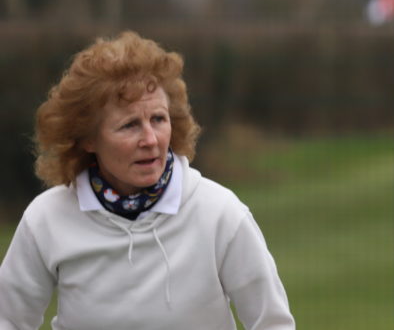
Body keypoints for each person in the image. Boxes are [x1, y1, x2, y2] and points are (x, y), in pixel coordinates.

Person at [0, 31, 295, 330]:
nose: (150, 139)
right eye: (129, 125)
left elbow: (273, 323)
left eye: (158, 119)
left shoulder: (221, 214)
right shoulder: (46, 219)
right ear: (88, 138)